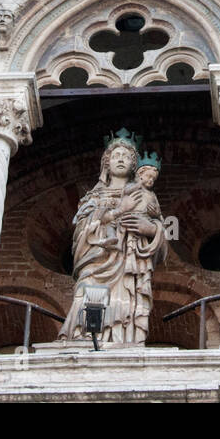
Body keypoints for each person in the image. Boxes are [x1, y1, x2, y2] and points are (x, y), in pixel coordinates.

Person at [58, 130, 168, 345]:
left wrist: (151, 230)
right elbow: (81, 230)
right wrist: (119, 211)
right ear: (106, 162)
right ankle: (88, 339)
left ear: (133, 164)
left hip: (128, 261)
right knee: (87, 291)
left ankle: (123, 340)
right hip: (97, 260)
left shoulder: (144, 195)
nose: (120, 159)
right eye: (116, 155)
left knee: (125, 301)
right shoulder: (93, 196)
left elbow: (161, 231)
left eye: (126, 157)